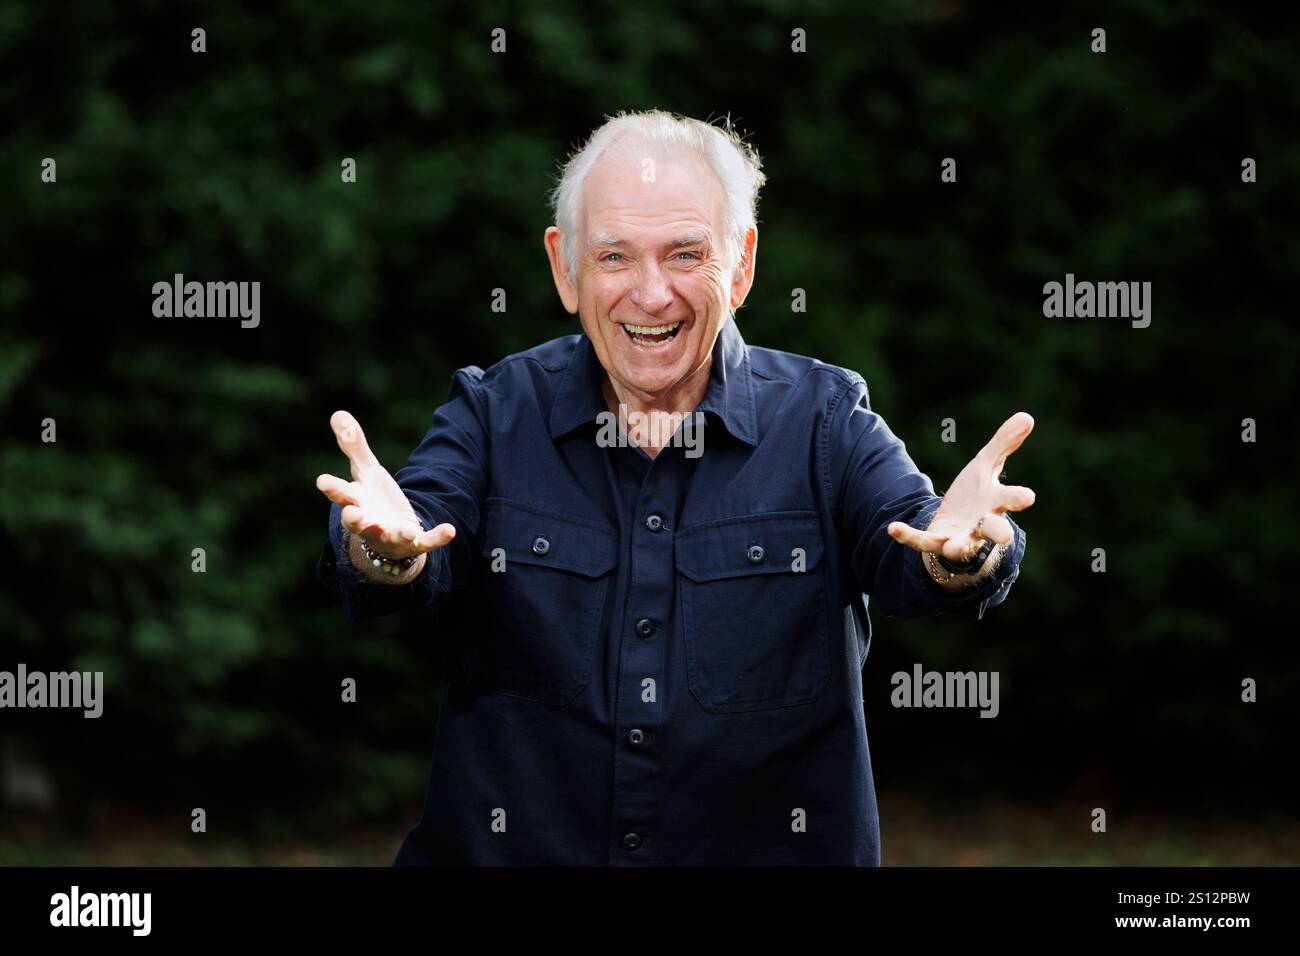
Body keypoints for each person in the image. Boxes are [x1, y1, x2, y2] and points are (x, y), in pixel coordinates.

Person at [315, 109, 1036, 865]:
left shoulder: (827, 421)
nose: (651, 295)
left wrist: (962, 555)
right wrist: (384, 551)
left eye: (686, 254)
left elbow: (916, 547)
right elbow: (413, 538)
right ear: (565, 268)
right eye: (616, 257)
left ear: (743, 263)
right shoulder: (494, 412)